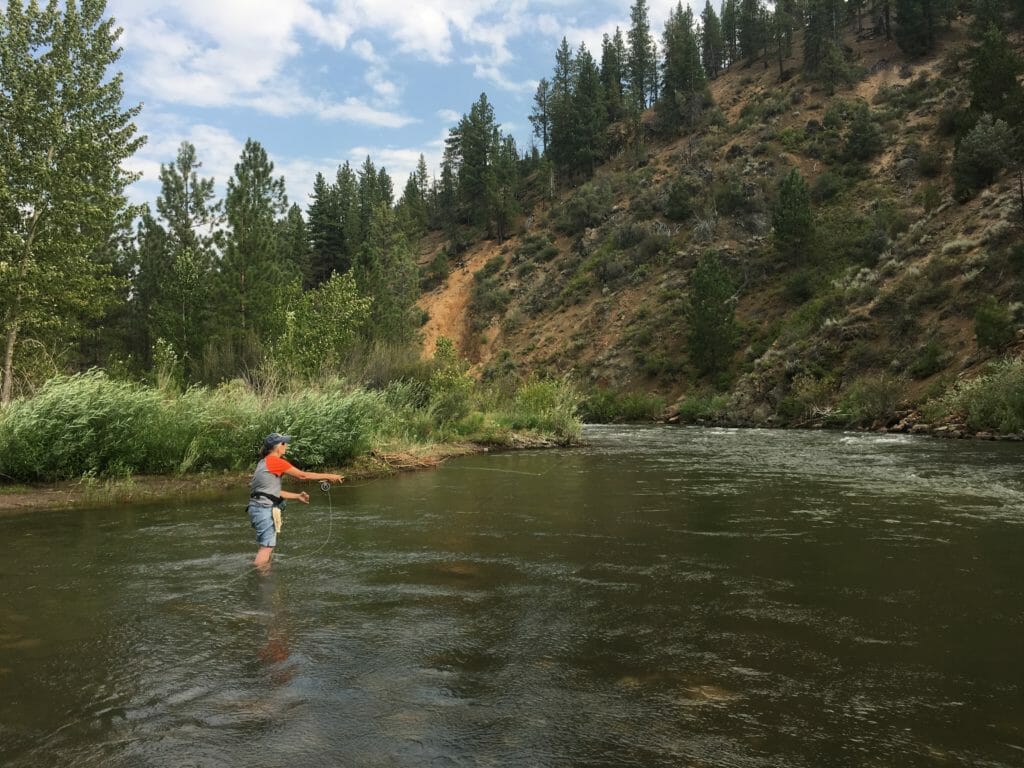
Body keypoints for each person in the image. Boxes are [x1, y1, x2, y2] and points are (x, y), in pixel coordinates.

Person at [248, 432, 344, 568]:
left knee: (265, 547)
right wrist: (330, 476)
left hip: (257, 509)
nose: (286, 446)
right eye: (284, 443)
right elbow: (303, 476)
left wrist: (297, 496)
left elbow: (270, 492)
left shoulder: (263, 463)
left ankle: (264, 574)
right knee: (266, 548)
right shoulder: (275, 461)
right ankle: (263, 583)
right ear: (278, 447)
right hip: (264, 510)